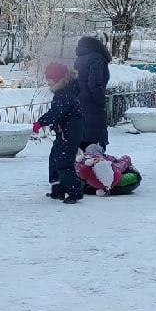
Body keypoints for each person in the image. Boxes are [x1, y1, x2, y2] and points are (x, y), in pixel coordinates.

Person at [33, 60, 85, 203]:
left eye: (49, 79)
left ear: (57, 79)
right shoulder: (63, 93)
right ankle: (58, 190)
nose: (47, 82)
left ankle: (74, 192)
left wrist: (40, 122)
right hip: (64, 134)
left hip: (69, 135)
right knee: (54, 158)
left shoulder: (65, 95)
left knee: (64, 162)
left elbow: (55, 113)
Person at [73, 35, 112, 152]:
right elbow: (95, 83)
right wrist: (100, 101)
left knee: (82, 143)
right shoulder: (97, 58)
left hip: (79, 102)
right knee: (94, 145)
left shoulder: (79, 59)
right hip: (92, 104)